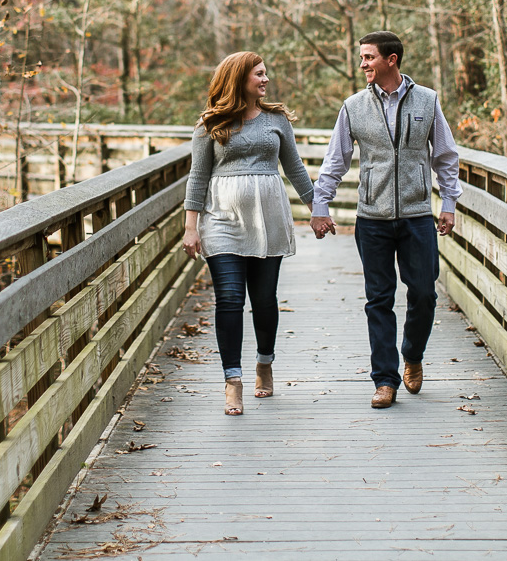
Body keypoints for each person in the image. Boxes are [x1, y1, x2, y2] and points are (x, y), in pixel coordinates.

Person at [310, 31, 461, 409]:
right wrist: (320, 204)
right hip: (372, 218)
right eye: (362, 58)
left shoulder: (427, 100)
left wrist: (449, 203)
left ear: (391, 60)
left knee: (424, 293)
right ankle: (385, 379)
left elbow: (445, 155)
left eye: (368, 58)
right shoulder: (354, 107)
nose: (363, 65)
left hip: (416, 216)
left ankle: (412, 354)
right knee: (379, 299)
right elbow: (336, 161)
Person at [183, 52, 316, 416]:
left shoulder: (277, 120)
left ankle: (264, 362)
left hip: (268, 219)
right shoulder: (210, 124)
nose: (266, 79)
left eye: (265, 73)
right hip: (222, 218)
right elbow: (198, 177)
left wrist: (317, 209)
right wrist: (190, 226)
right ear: (239, 78)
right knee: (228, 299)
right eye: (259, 74)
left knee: (264, 299)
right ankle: (233, 381)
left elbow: (295, 168)